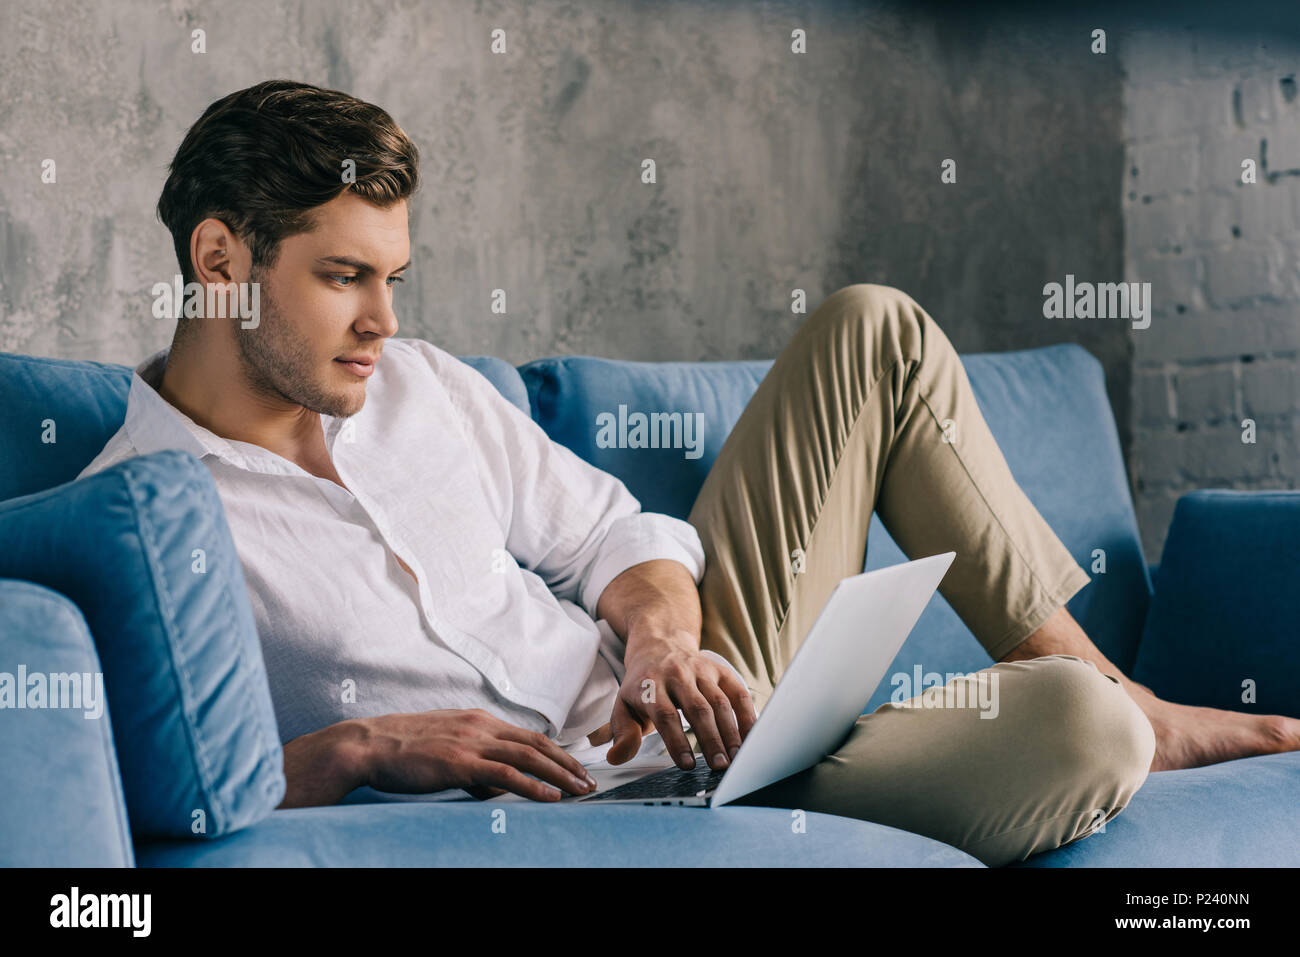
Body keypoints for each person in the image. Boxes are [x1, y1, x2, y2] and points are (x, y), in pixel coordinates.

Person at [79, 80, 1299, 866]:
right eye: (344, 277)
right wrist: (356, 749)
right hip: (626, 809)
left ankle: (1126, 688)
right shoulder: (141, 512)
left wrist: (663, 637)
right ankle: (1105, 713)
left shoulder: (419, 386)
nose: (382, 321)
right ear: (221, 256)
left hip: (712, 702)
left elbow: (616, 531)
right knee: (1077, 736)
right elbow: (150, 789)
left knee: (872, 328)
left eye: (393, 278)